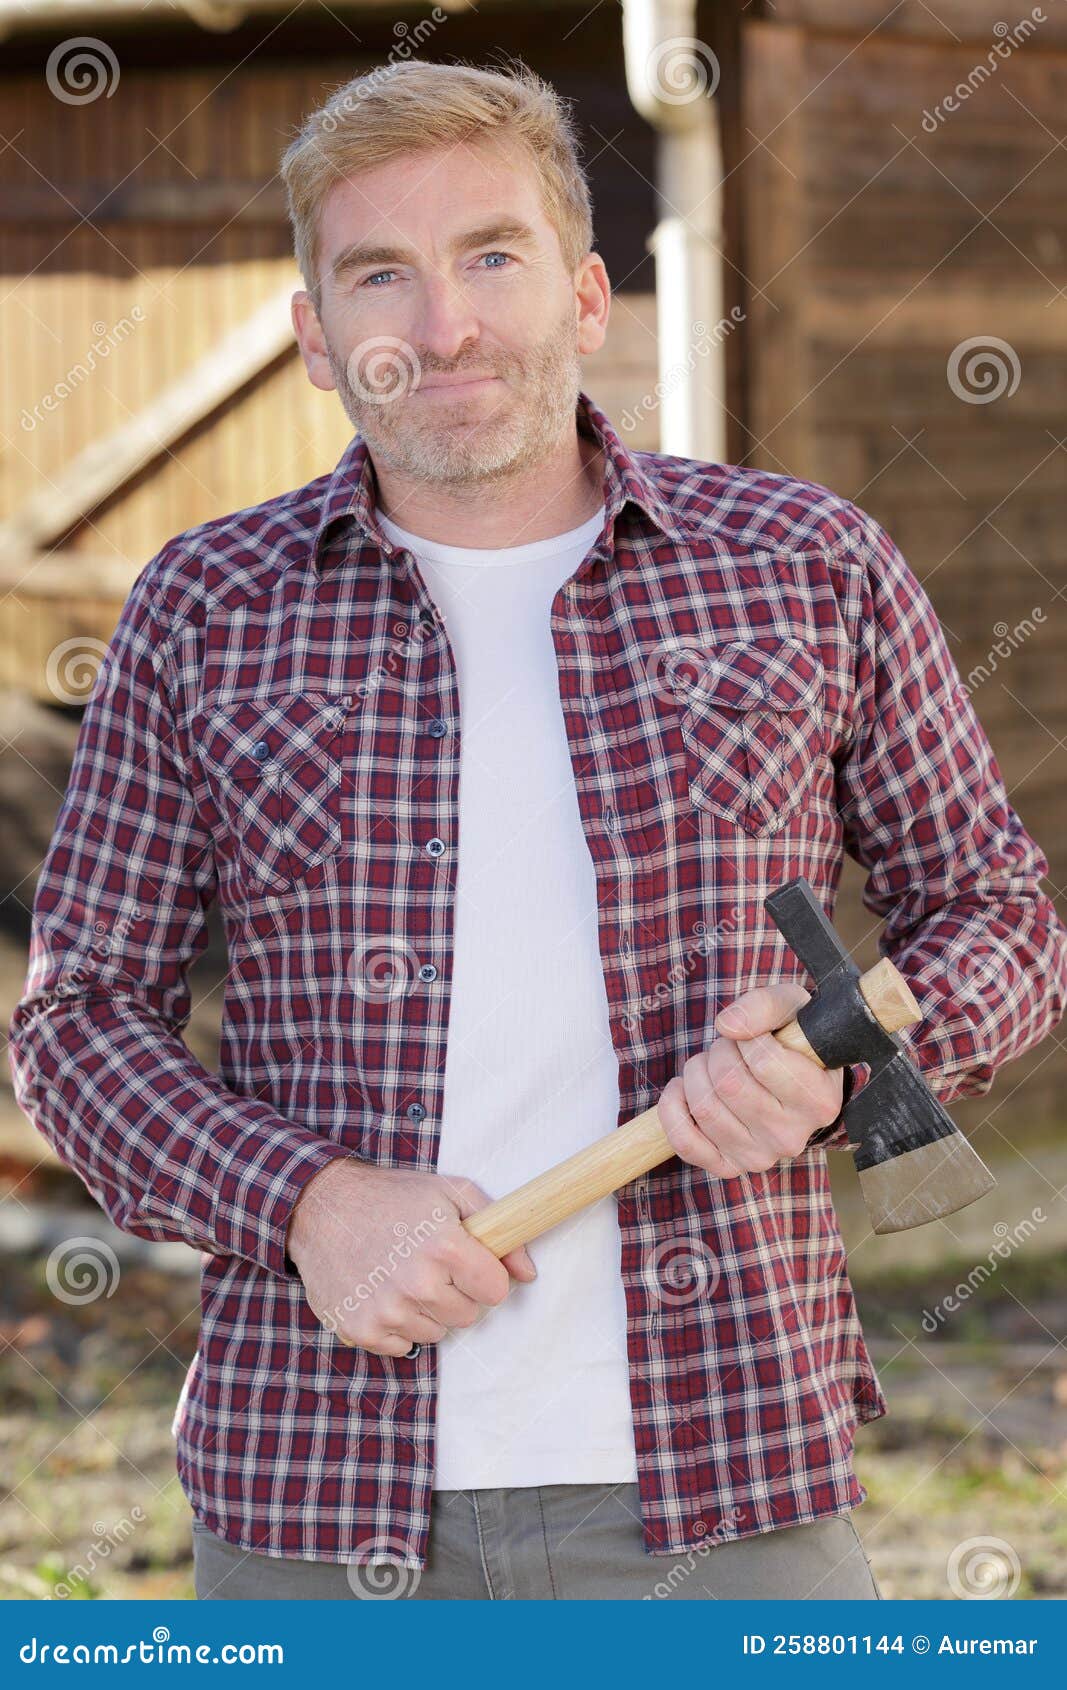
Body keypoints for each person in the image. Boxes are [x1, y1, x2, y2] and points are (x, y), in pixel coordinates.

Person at [10, 59, 1067, 1603]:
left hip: (732, 1485)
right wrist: (307, 1202)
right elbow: (78, 1019)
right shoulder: (206, 608)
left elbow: (1000, 914)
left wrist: (838, 1070)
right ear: (316, 335)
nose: (445, 326)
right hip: (315, 1491)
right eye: (383, 273)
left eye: (492, 255)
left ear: (584, 295)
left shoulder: (804, 564)